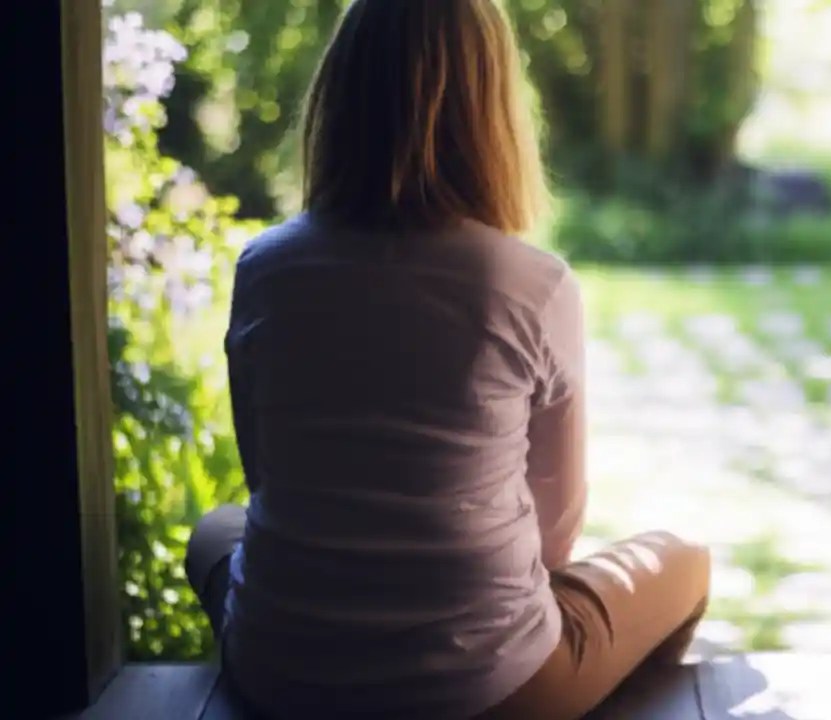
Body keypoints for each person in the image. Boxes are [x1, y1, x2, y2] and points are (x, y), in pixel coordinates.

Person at [182, 2, 711, 718]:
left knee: (217, 528)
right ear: (491, 105)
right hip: (491, 691)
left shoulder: (265, 268)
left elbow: (267, 478)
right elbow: (556, 535)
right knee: (686, 558)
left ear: (339, 97)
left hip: (281, 673)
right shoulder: (532, 284)